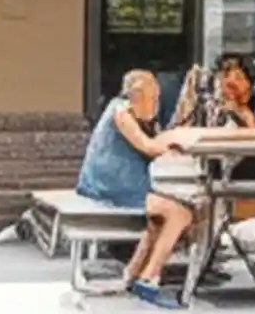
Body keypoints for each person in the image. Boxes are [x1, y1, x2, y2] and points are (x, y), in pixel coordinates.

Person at [74, 70, 190, 309]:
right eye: (153, 98)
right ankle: (149, 279)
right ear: (137, 95)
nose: (156, 105)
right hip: (110, 187)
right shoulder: (122, 112)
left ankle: (135, 274)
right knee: (180, 213)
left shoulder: (123, 110)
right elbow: (147, 147)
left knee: (160, 218)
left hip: (116, 185)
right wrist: (174, 145)